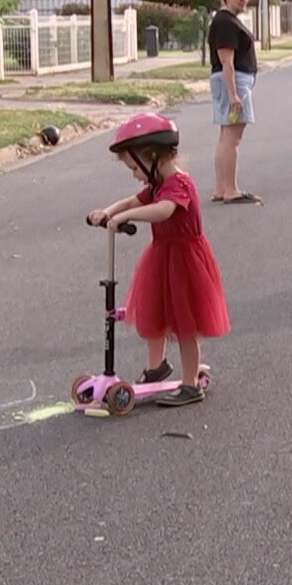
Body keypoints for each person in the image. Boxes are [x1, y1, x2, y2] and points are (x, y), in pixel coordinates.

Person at [85, 113, 228, 407]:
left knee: (185, 324)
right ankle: (156, 368)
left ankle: (190, 385)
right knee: (155, 314)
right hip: (162, 255)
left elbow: (163, 210)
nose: (134, 174)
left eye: (133, 167)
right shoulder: (156, 184)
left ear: (151, 156)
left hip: (186, 260)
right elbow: (131, 201)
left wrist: (125, 217)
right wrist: (108, 212)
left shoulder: (179, 184)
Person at [207, 0, 261, 204]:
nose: (244, 0)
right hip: (234, 80)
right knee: (232, 139)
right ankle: (231, 189)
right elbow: (227, 61)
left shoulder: (225, 21)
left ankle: (221, 188)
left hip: (233, 80)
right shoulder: (225, 23)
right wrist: (234, 95)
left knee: (225, 136)